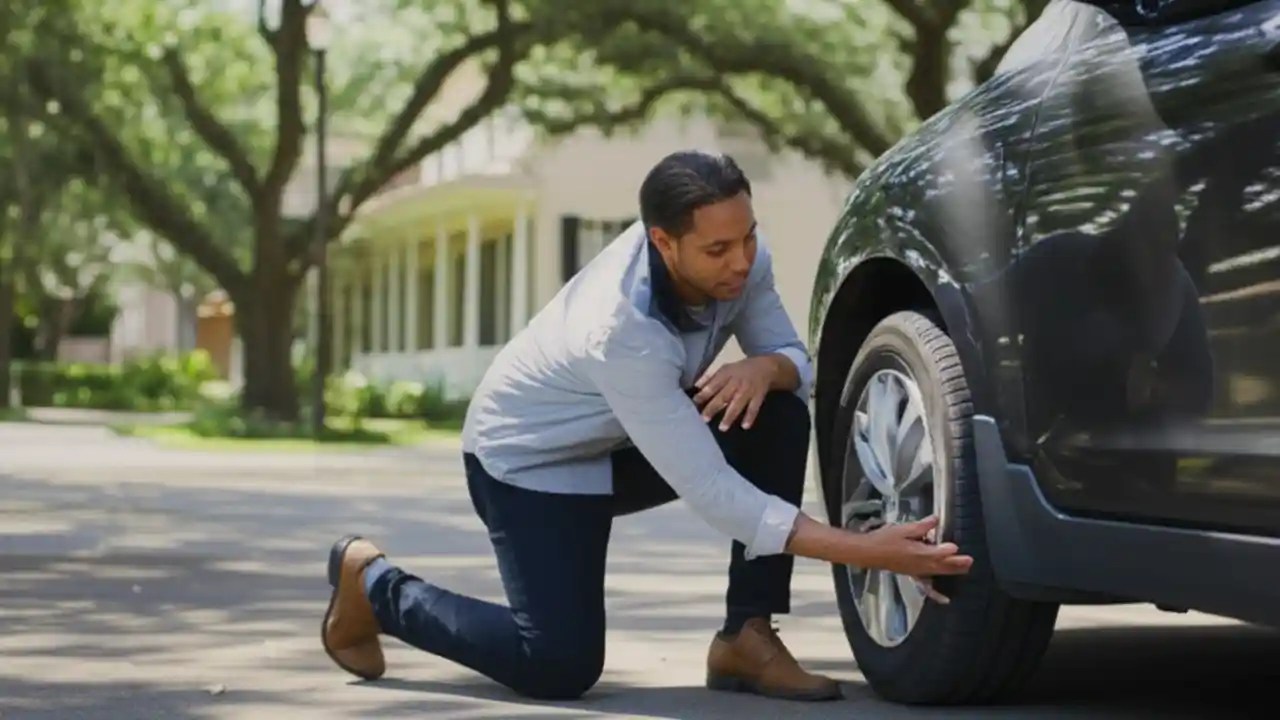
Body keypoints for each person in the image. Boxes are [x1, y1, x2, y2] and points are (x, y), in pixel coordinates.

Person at [320, 150, 974, 702]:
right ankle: (374, 584)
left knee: (774, 411)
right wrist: (871, 550)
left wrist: (767, 367)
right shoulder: (623, 329)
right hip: (528, 463)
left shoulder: (743, 259)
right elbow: (716, 494)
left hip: (623, 437)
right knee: (559, 664)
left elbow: (799, 367)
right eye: (717, 249)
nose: (741, 261)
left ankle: (747, 635)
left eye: (747, 235)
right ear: (663, 243)